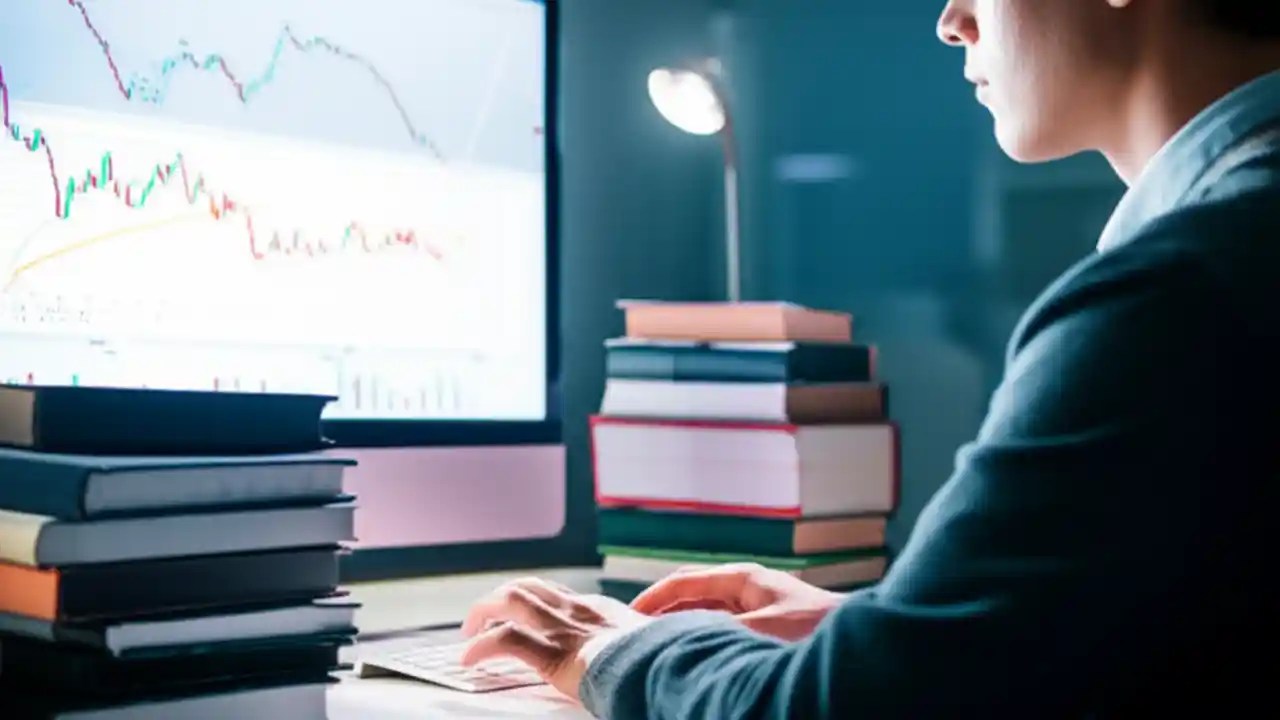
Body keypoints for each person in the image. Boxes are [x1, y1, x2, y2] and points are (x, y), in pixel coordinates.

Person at [460, 1, 1280, 716]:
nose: (952, 21)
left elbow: (849, 709)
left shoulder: (1177, 293)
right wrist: (895, 627)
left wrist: (615, 649)